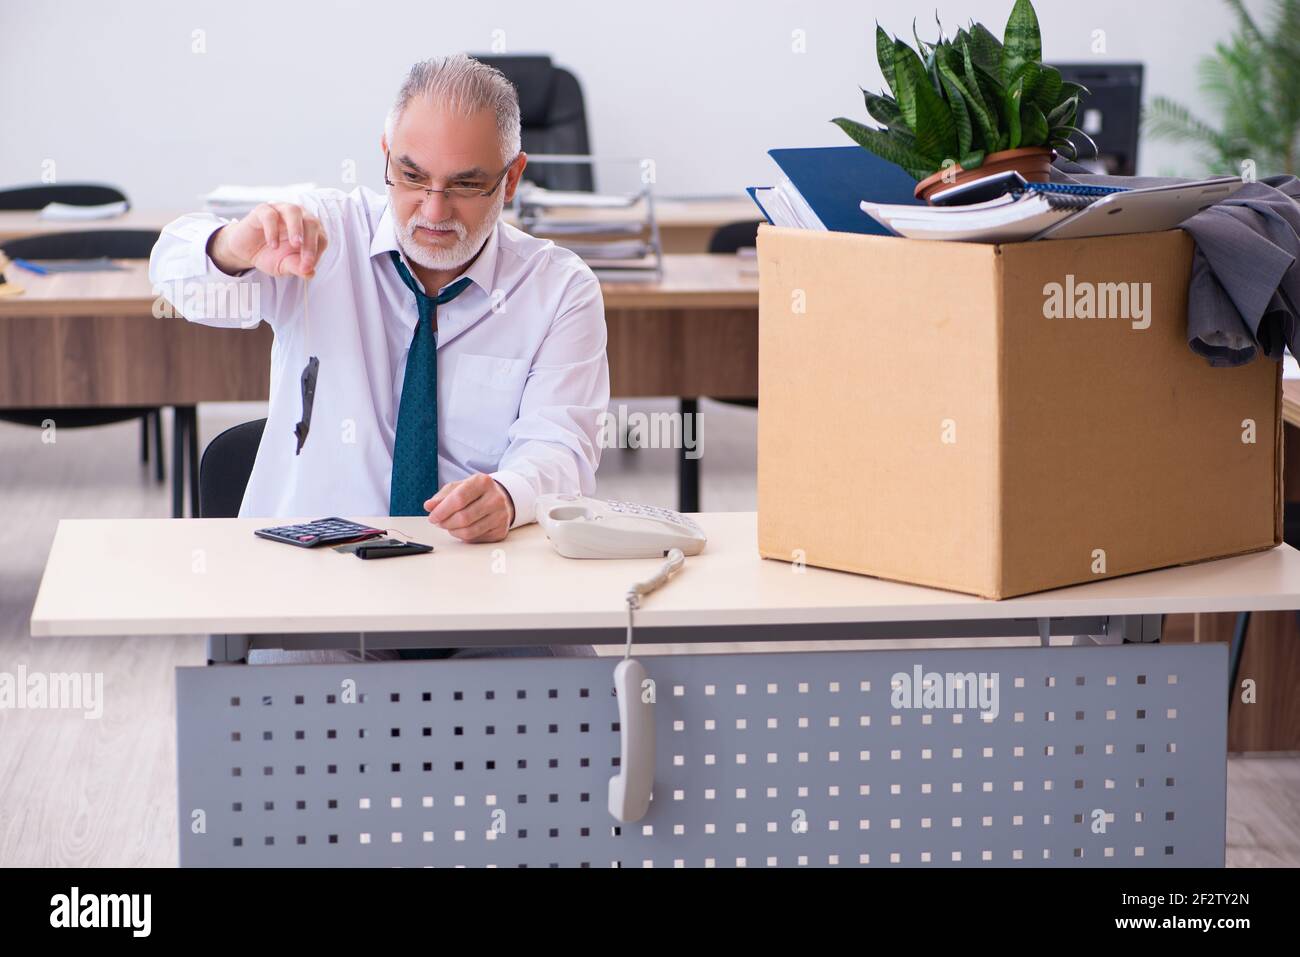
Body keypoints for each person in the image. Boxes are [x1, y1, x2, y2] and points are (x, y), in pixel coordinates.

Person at [149, 54, 609, 660]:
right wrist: (231, 246)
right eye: (412, 176)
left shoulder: (558, 288)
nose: (434, 210)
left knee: (573, 704)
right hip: (316, 591)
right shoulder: (322, 237)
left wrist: (510, 492)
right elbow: (175, 275)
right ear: (385, 154)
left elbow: (564, 445)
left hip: (488, 591)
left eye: (466, 185)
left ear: (513, 177)